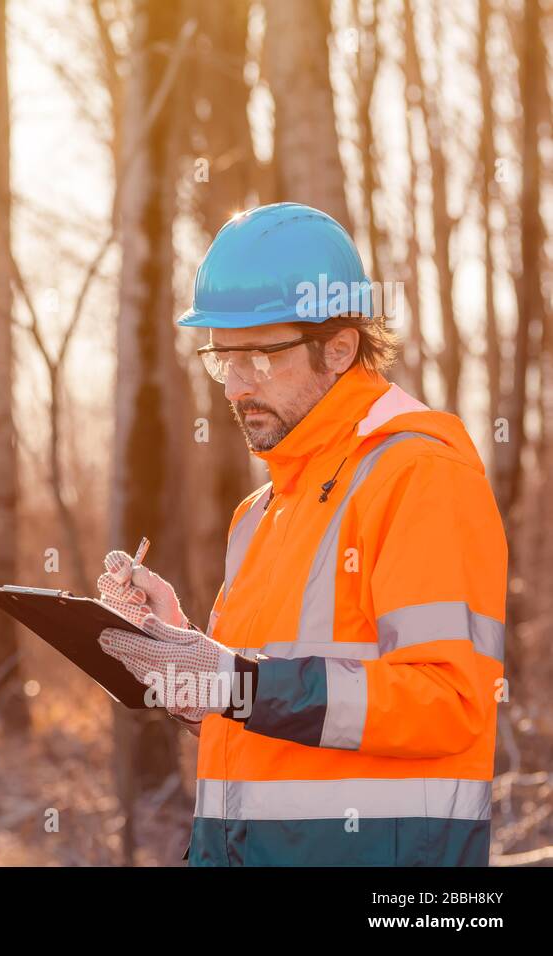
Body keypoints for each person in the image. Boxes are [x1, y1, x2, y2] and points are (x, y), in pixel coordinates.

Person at [96, 202, 507, 866]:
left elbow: (451, 703)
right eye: (221, 359)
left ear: (340, 349)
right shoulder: (261, 512)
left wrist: (232, 681)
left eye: (258, 357)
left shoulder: (420, 474)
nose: (233, 387)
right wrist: (187, 660)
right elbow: (261, 712)